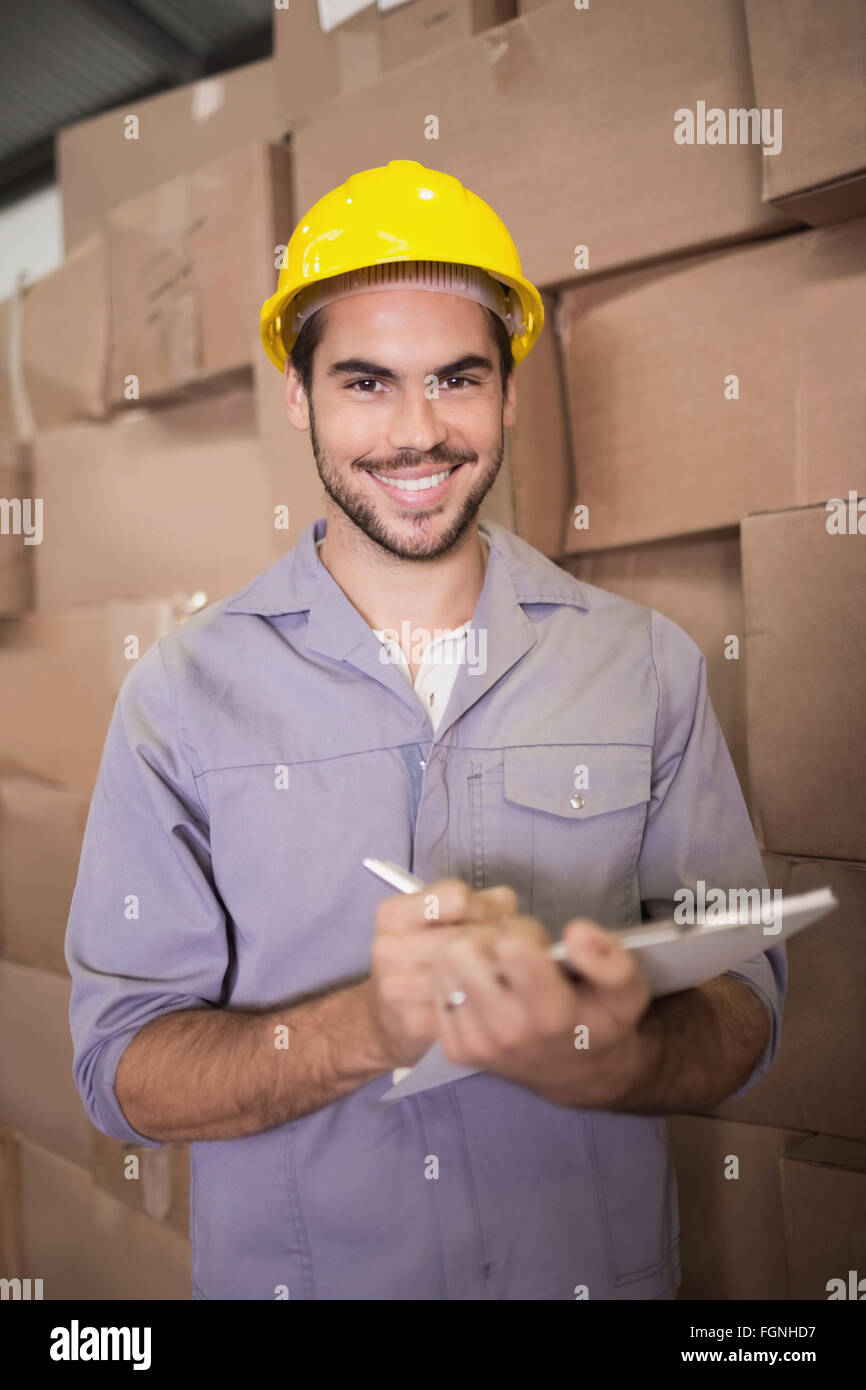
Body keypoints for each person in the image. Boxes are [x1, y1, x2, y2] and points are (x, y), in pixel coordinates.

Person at [66, 159, 786, 1301]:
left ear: (507, 391)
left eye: (456, 378)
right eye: (365, 382)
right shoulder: (181, 697)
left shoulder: (642, 666)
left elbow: (745, 1002)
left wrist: (611, 1050)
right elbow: (121, 1071)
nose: (418, 432)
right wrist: (365, 1026)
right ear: (297, 395)